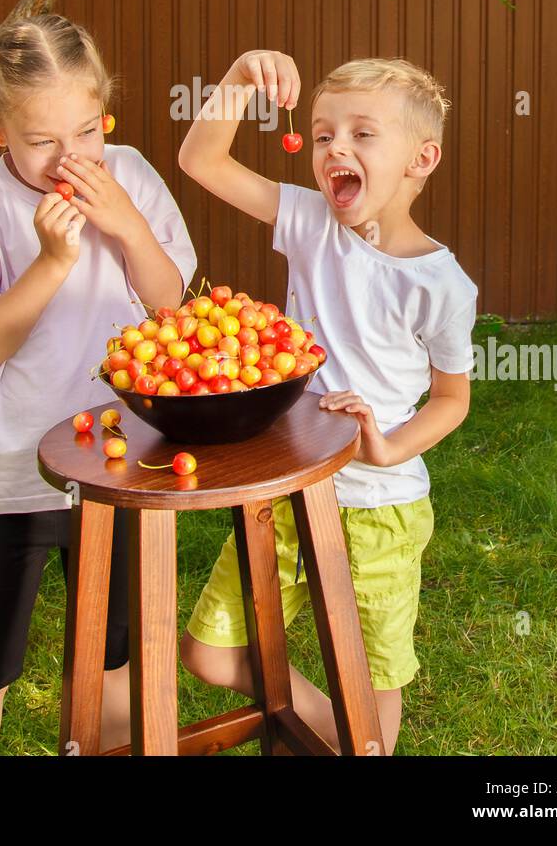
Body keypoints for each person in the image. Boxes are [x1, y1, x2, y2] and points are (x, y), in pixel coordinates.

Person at [177, 49, 477, 755]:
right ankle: (339, 740)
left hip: (381, 509)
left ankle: (360, 742)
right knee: (211, 654)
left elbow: (451, 399)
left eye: (362, 134)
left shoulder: (441, 286)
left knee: (371, 680)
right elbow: (201, 161)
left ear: (421, 158)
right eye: (322, 135)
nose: (334, 147)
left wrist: (388, 445)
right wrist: (238, 78)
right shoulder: (309, 220)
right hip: (283, 488)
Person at [0, 14, 197, 754]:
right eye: (42, 141)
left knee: (113, 654)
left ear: (104, 110)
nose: (69, 157)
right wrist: (49, 262)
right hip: (18, 474)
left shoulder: (133, 173)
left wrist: (128, 225)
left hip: (124, 464)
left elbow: (172, 301)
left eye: (86, 132)